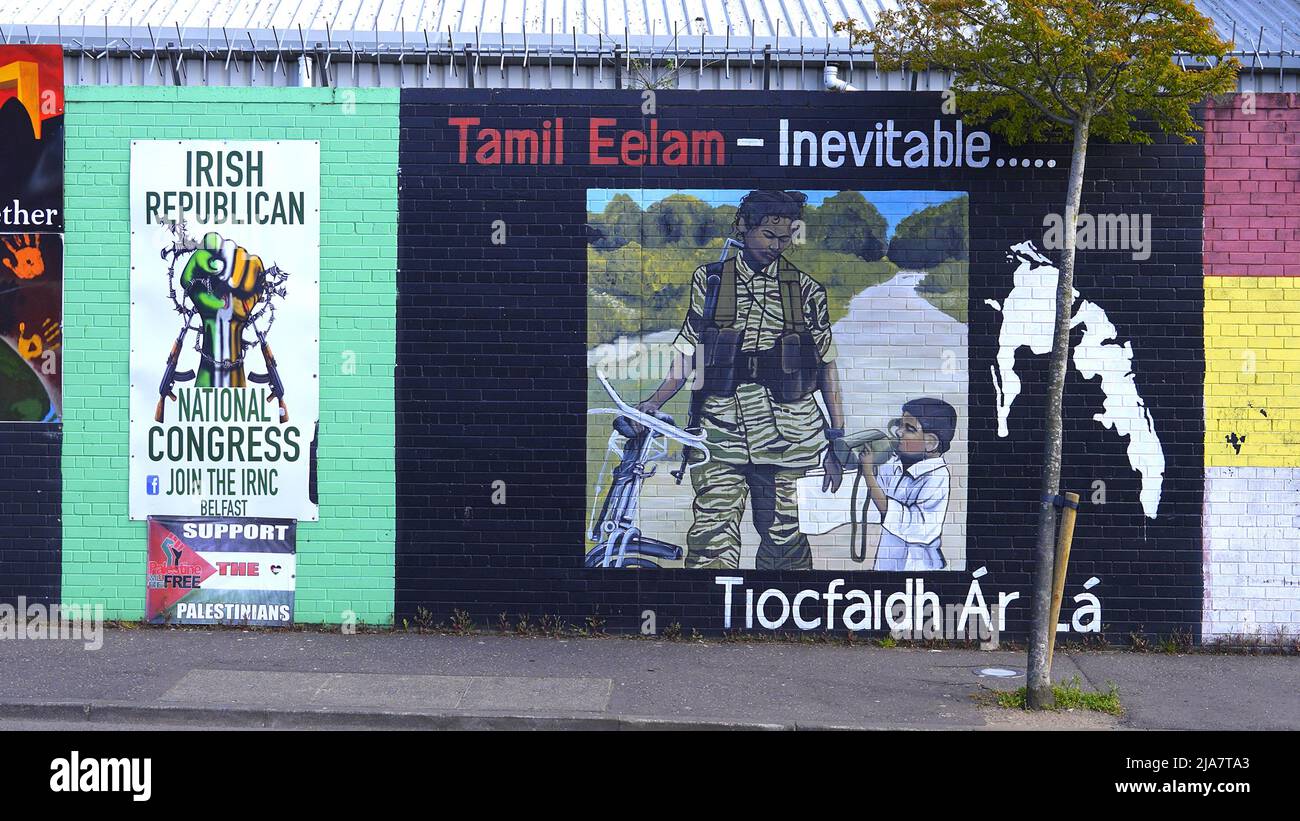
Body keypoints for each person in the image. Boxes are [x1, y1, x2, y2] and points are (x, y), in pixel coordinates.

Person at [636, 190, 847, 570]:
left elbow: (827, 366)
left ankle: (781, 619)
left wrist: (837, 439)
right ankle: (706, 617)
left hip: (790, 437)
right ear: (743, 227)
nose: (778, 246)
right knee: (710, 538)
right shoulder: (712, 282)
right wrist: (655, 401)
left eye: (786, 238)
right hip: (719, 433)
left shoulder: (805, 290)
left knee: (785, 538)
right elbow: (690, 352)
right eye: (768, 235)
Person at [859, 398, 957, 571]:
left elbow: (914, 525)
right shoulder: (895, 463)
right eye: (901, 425)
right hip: (887, 562)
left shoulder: (936, 476)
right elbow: (871, 495)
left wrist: (868, 474)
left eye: (909, 429)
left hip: (919, 566)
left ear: (931, 443)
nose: (898, 432)